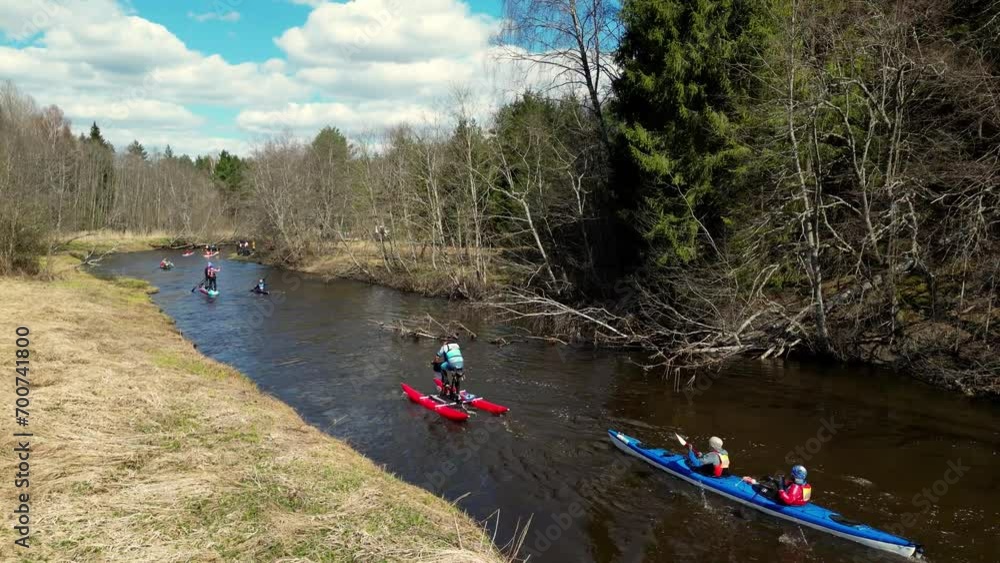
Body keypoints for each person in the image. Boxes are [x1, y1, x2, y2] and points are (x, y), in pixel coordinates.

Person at [742, 465, 811, 506]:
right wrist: (773, 480)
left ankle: (752, 482)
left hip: (788, 503)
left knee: (764, 489)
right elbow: (789, 488)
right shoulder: (806, 485)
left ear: (794, 475)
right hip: (800, 504)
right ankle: (760, 482)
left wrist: (781, 489)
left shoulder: (795, 487)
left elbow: (789, 500)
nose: (791, 475)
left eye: (792, 474)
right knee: (774, 485)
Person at [433, 335, 464, 401]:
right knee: (457, 376)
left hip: (451, 363)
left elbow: (437, 357)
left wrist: (434, 362)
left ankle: (446, 383)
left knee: (442, 367)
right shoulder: (457, 345)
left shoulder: (444, 347)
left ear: (446, 342)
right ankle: (458, 395)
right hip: (460, 363)